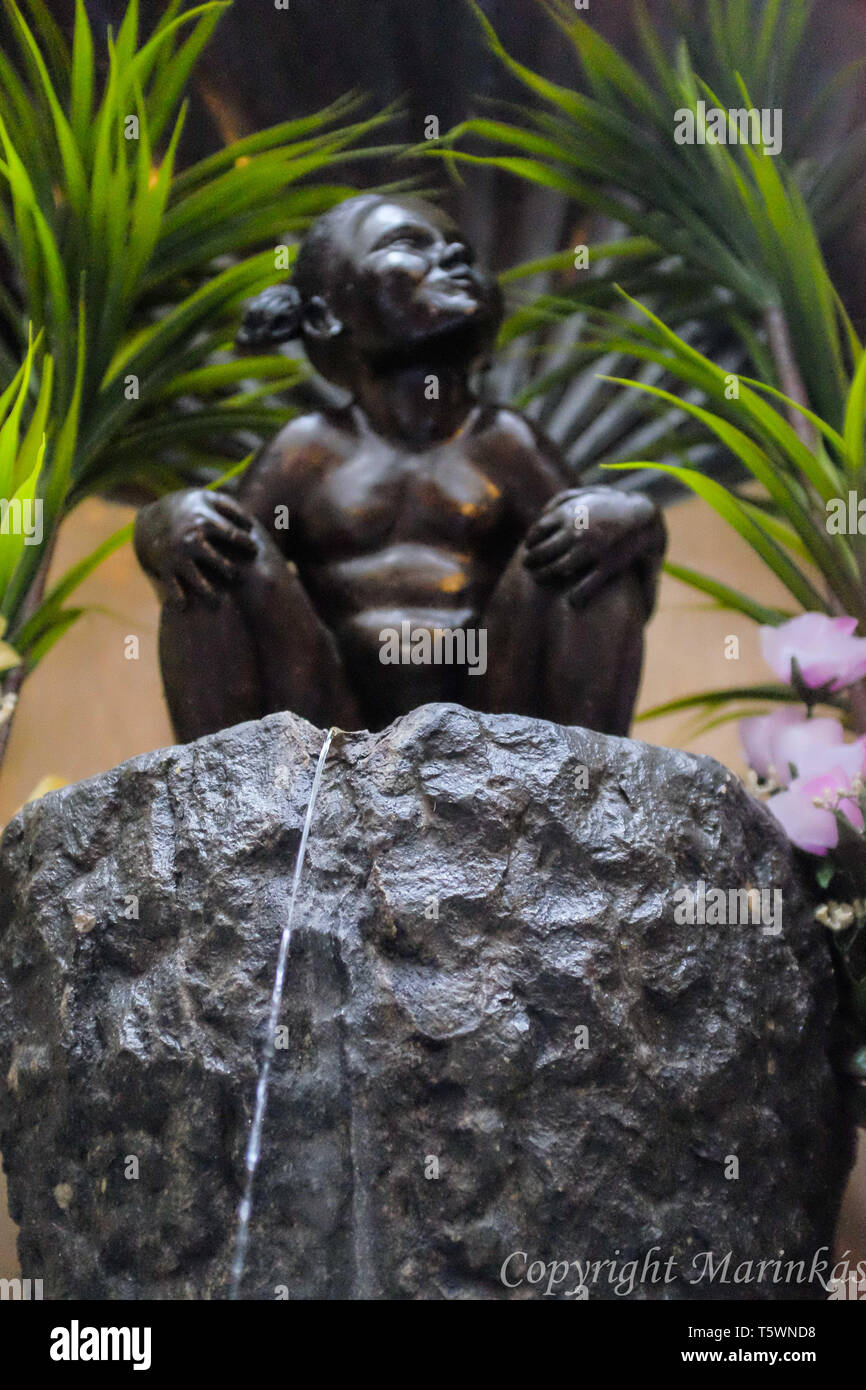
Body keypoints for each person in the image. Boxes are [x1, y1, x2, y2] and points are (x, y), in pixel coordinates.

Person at [134, 194, 666, 740]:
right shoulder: (307, 450)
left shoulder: (505, 443)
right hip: (326, 734)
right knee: (209, 548)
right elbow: (240, 577)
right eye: (411, 244)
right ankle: (225, 781)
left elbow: (592, 582)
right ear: (323, 315)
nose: (454, 259)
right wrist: (162, 526)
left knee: (591, 533)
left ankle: (584, 776)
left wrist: (637, 524)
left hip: (495, 730)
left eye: (461, 252)